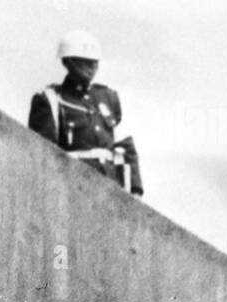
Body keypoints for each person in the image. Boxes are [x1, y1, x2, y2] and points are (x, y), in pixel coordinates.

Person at [28, 30, 144, 196]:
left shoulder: (109, 98)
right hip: (73, 188)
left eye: (95, 62)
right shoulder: (50, 100)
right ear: (69, 62)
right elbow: (43, 156)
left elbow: (125, 148)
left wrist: (135, 189)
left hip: (112, 190)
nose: (93, 67)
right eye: (85, 62)